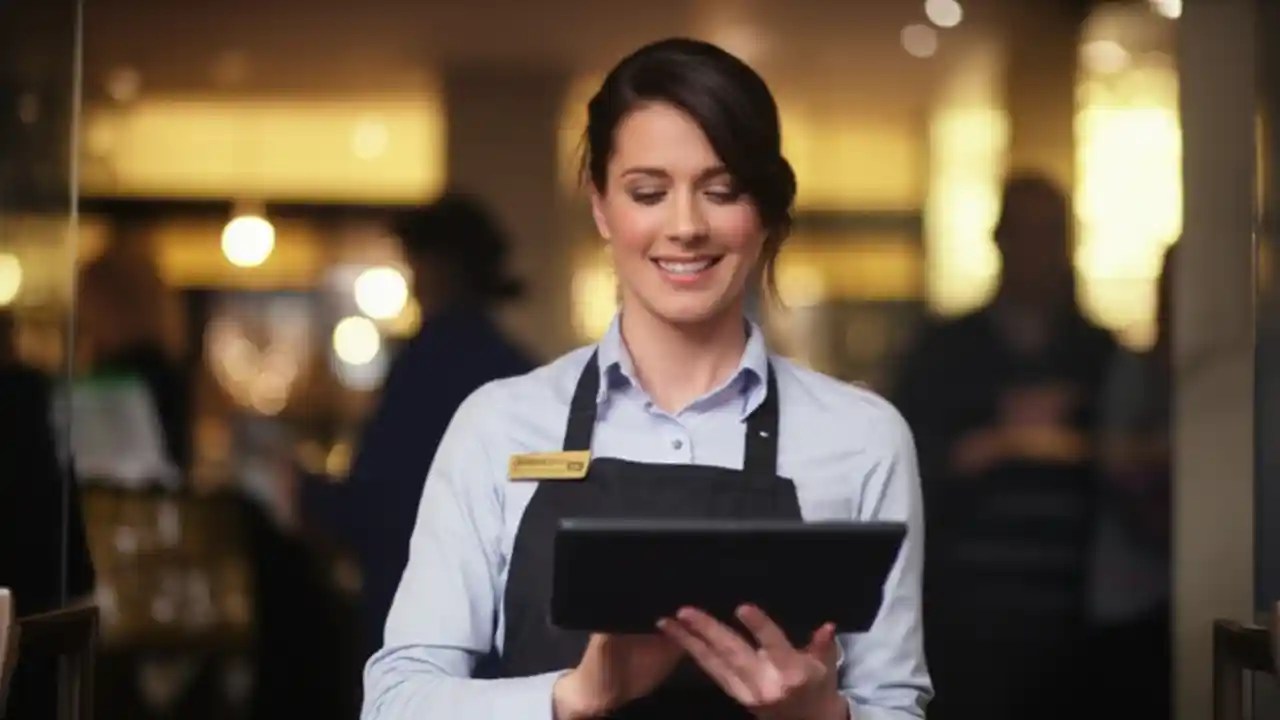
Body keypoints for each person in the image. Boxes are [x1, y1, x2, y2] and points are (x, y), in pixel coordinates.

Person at [363, 38, 930, 720]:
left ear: (767, 212)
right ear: (601, 205)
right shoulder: (498, 425)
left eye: (722, 191)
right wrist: (577, 694)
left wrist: (821, 717)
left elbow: (894, 705)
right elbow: (397, 700)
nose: (686, 226)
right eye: (648, 192)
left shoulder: (864, 438)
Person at [891, 174, 1117, 720]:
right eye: (1027, 231)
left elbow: (1140, 471)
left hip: (1079, 619)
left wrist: (1069, 443)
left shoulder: (1099, 353)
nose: (1039, 249)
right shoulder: (944, 351)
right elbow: (903, 471)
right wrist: (991, 443)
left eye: (1051, 233)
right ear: (1000, 239)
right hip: (968, 618)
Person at [339, 192, 535, 660]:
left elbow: (379, 500)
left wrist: (301, 495)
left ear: (440, 268)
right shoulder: (519, 370)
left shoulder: (427, 366)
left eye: (414, 265)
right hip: (505, 630)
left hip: (422, 620)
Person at [1086, 243, 1175, 720]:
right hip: (1128, 604)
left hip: (1198, 592)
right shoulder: (1130, 372)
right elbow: (1115, 465)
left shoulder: (1244, 379)